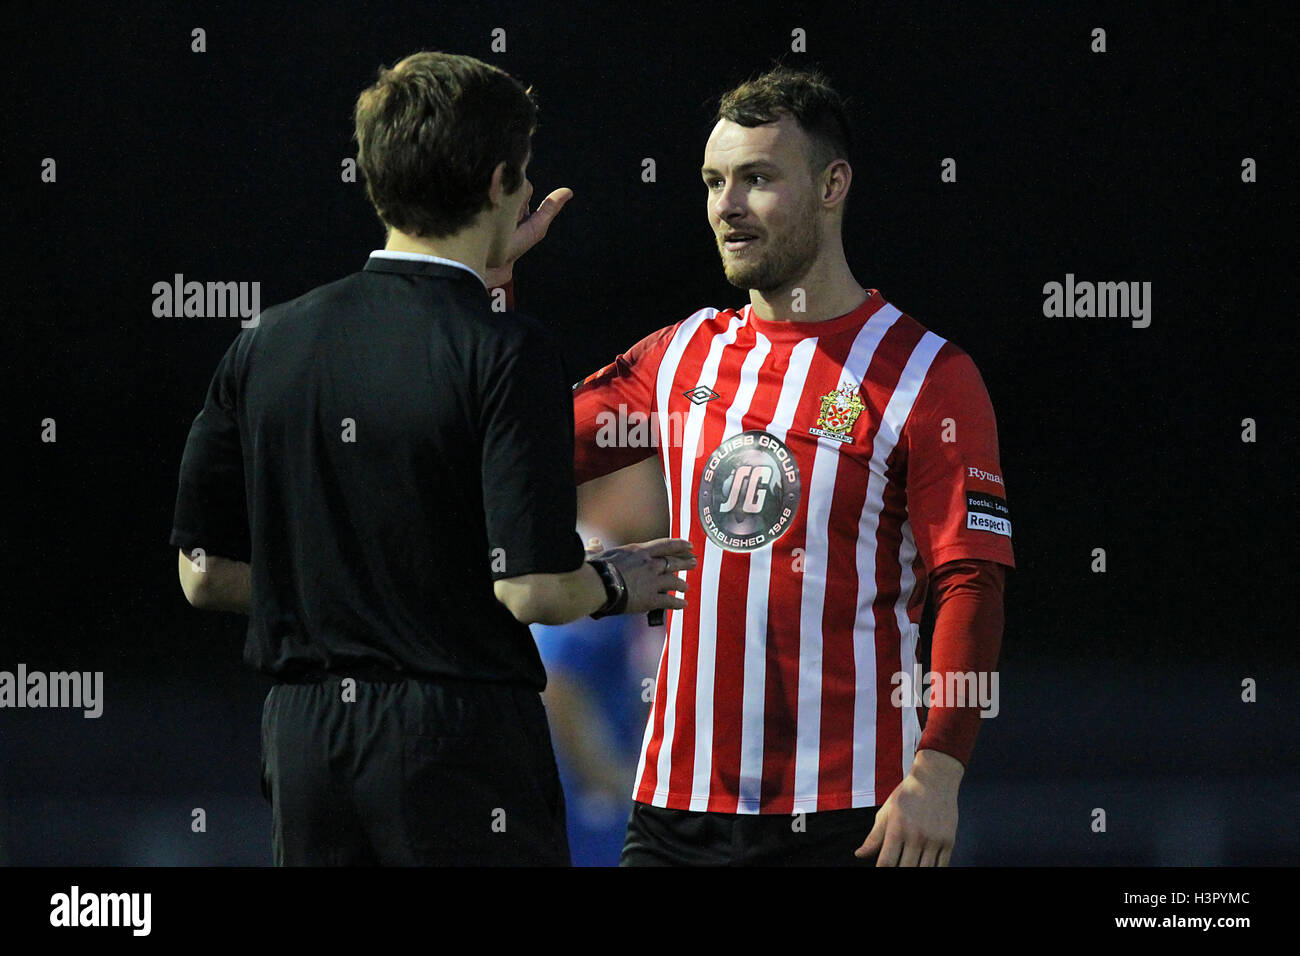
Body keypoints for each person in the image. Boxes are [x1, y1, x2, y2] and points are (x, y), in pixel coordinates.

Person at [168, 51, 693, 866]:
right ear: (497, 183)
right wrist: (617, 581)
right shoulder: (505, 350)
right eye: (520, 175)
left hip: (306, 743)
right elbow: (531, 588)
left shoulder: (265, 344)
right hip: (456, 743)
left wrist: (349, 600)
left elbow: (203, 573)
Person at [563, 66, 1016, 865]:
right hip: (674, 812)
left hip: (850, 815)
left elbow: (970, 581)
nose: (726, 207)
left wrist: (937, 773)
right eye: (713, 183)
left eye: (757, 179)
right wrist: (483, 288)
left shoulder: (925, 375)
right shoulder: (677, 358)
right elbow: (520, 449)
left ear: (833, 183)